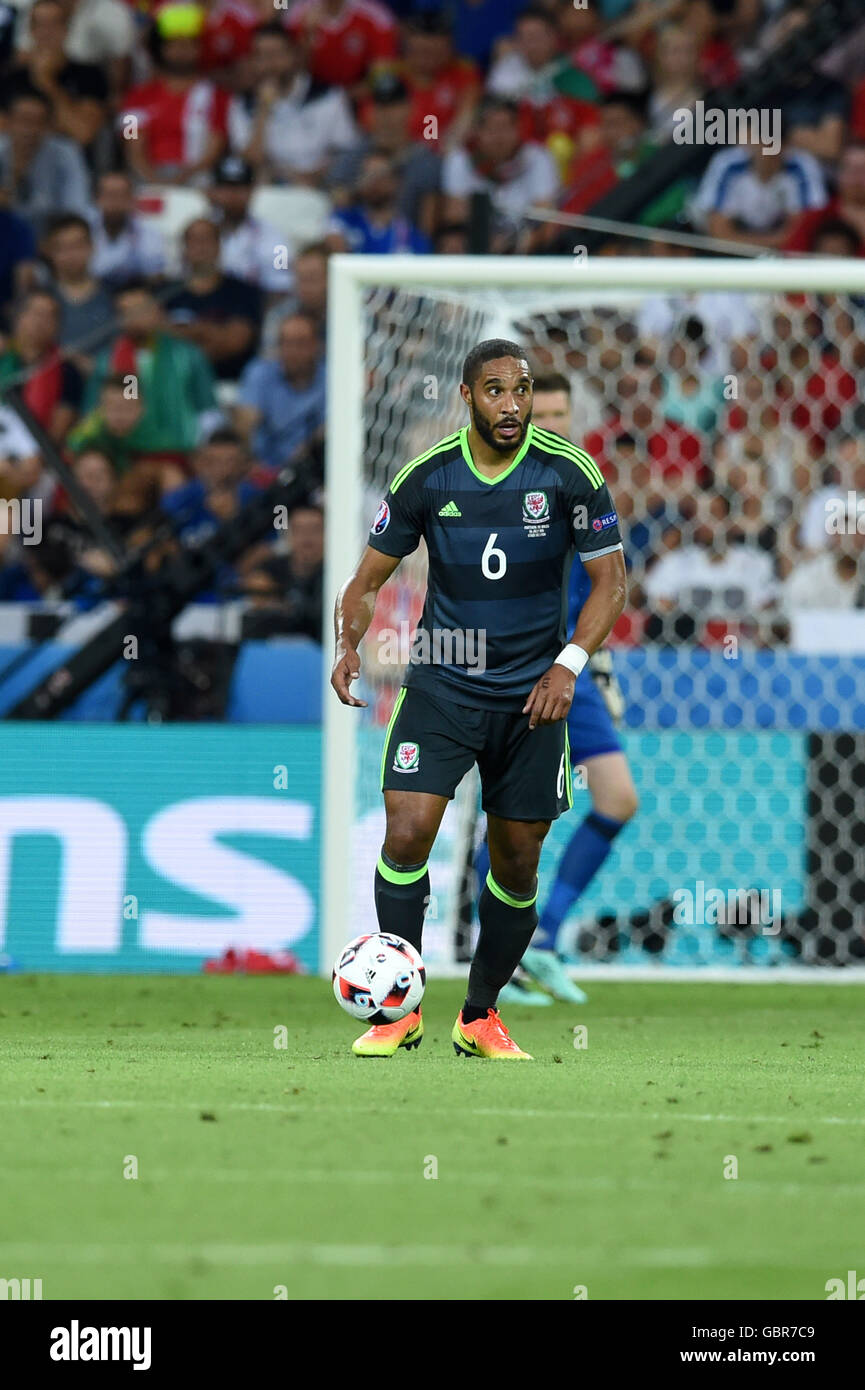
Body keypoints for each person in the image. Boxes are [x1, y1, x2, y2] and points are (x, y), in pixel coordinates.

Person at [330, 339, 626, 1059]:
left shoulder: (568, 473)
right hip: (440, 681)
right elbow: (366, 580)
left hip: (533, 697)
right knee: (406, 832)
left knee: (516, 861)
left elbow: (610, 583)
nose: (511, 405)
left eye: (521, 391)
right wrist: (347, 645)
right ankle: (398, 1014)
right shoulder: (427, 478)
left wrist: (568, 666)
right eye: (495, 391)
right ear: (466, 396)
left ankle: (479, 1015)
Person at [491, 373, 638, 1005]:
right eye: (538, 412)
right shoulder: (495, 483)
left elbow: (602, 589)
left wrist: (595, 667)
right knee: (510, 818)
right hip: (515, 674)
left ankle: (545, 941)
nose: (548, 423)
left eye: (558, 413)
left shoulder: (583, 486)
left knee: (617, 799)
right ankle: (497, 954)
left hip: (573, 672)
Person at [86, 279, 217, 457]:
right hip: (123, 454)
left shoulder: (187, 355)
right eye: (125, 312)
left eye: (140, 310)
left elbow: (208, 412)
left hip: (181, 451)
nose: (134, 318)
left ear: (158, 311)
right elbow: (93, 413)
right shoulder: (108, 361)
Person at [228, 21, 358, 186]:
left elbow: (346, 152)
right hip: (269, 190)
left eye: (275, 55)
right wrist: (263, 110)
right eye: (261, 56)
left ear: (293, 55)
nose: (269, 64)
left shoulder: (328, 97)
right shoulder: (243, 104)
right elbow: (248, 164)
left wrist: (313, 177)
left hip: (321, 188)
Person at [165, 217, 260, 381]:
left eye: (206, 240)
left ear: (219, 246)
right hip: (177, 384)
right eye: (194, 241)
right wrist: (211, 333)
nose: (201, 247)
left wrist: (184, 331)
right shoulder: (167, 292)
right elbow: (158, 339)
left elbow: (234, 343)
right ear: (184, 249)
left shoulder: (242, 292)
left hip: (229, 383)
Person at [235, 310, 326, 469]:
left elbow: (329, 430)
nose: (292, 351)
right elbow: (245, 428)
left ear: (317, 345)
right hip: (263, 469)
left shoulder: (332, 378)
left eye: (300, 343)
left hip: (315, 469)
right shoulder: (260, 373)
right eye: (285, 343)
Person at [0, 88, 91, 233]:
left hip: (52, 239)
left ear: (48, 126)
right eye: (23, 120)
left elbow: (76, 209)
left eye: (37, 122)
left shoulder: (66, 153)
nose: (29, 130)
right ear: (8, 121)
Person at [206, 154, 293, 294]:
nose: (232, 195)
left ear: (252, 191)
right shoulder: (200, 233)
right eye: (226, 187)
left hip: (255, 307)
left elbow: (282, 283)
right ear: (213, 191)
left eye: (240, 187)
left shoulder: (275, 238)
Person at [326, 151, 431, 255]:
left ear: (397, 182)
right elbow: (331, 254)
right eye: (368, 176)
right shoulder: (342, 220)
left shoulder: (410, 236)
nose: (373, 183)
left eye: (380, 176)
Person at [40, 213, 115, 355]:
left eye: (77, 246)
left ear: (92, 246)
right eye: (62, 248)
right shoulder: (39, 299)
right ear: (49, 251)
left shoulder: (114, 296)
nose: (71, 255)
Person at [89, 169, 167, 285]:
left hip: (136, 292)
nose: (115, 201)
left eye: (121, 195)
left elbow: (155, 274)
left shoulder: (149, 232)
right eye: (110, 195)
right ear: (97, 199)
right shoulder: (85, 231)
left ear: (132, 199)